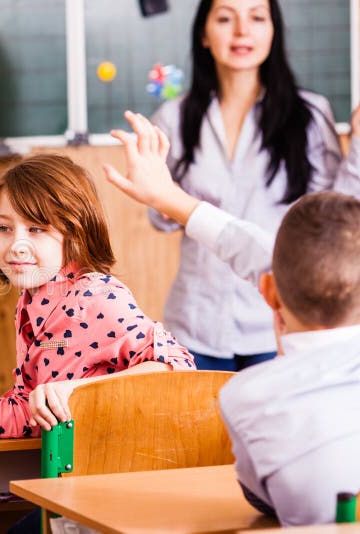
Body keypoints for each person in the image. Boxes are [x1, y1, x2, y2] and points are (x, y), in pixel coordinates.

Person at [105, 110, 360, 527]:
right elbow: (265, 251)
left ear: (268, 292)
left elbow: (261, 501)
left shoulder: (246, 399)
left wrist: (168, 197)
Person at [0, 154, 194, 459]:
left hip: (115, 478)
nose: (16, 244)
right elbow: (22, 411)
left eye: (36, 229)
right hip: (64, 477)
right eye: (4, 228)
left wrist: (78, 392)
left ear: (74, 232)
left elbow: (176, 368)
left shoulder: (94, 296)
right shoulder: (30, 303)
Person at [149, 0, 360, 371]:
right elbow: (159, 217)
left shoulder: (309, 114)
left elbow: (336, 212)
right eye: (227, 18)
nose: (242, 31)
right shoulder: (174, 117)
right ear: (204, 33)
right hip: (197, 322)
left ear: (272, 30)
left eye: (257, 17)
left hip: (280, 321)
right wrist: (164, 200)